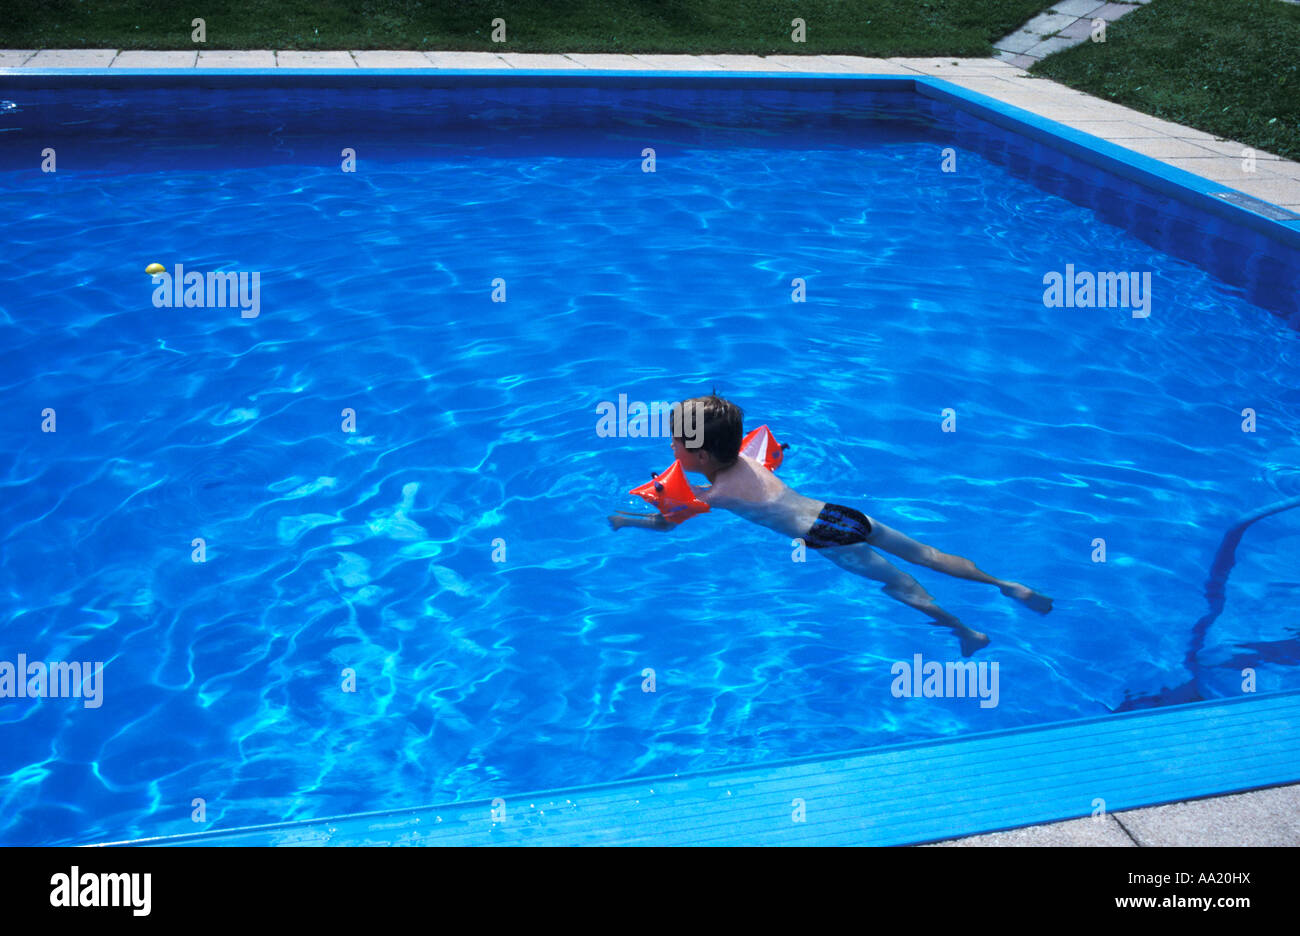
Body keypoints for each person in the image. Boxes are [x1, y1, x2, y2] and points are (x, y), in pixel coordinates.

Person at [608, 395, 1052, 656]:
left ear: (701, 458)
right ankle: (1005, 584)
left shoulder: (715, 495)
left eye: (677, 442)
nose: (670, 446)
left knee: (900, 586)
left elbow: (666, 524)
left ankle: (966, 632)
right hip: (841, 513)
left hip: (826, 538)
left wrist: (625, 521)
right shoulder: (745, 456)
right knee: (927, 556)